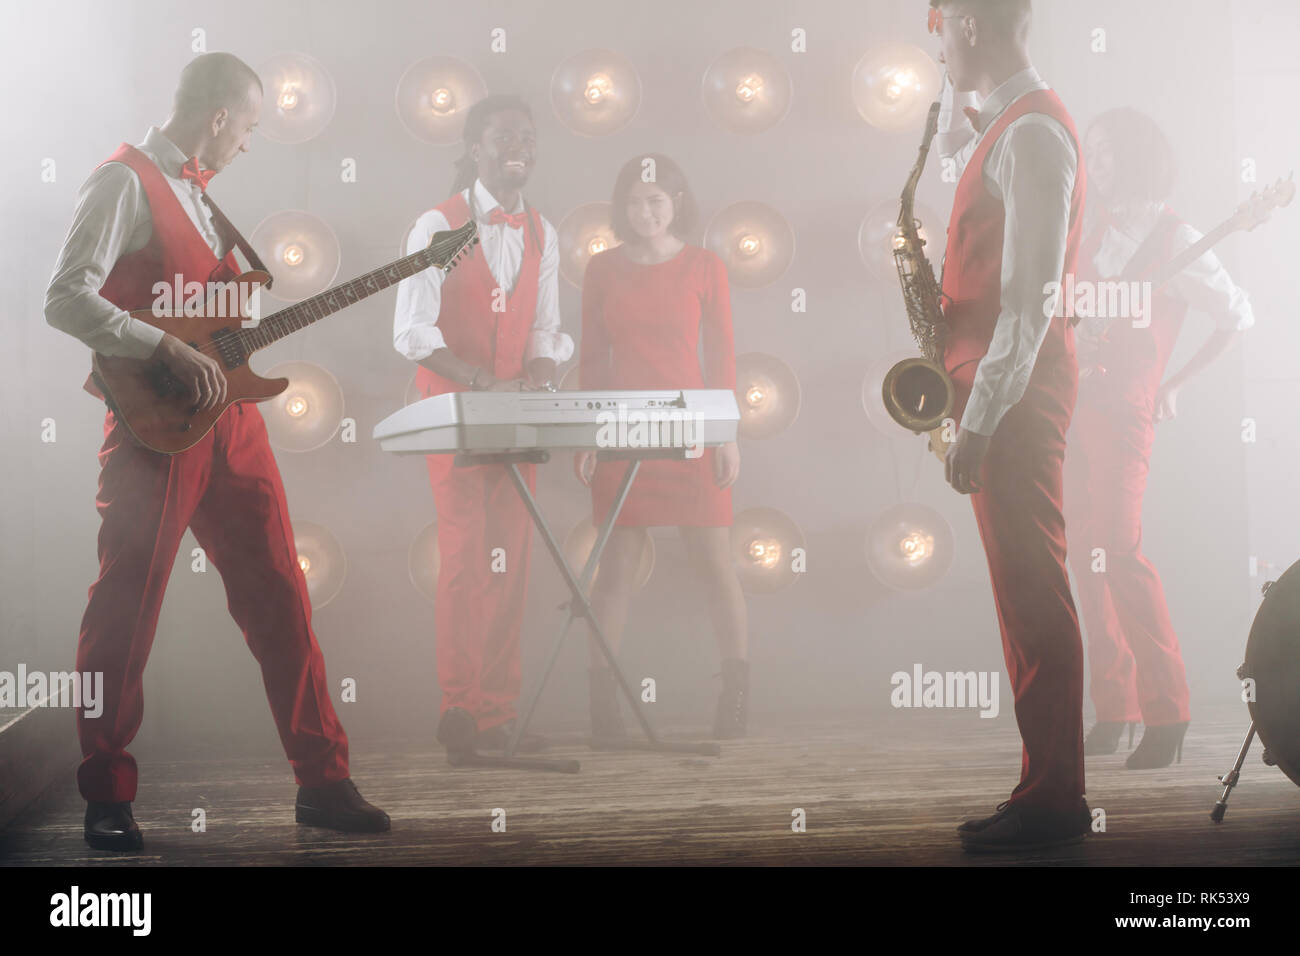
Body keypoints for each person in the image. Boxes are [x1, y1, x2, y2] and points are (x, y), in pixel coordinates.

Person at [44, 52, 389, 851]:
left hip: (233, 420)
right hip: (152, 429)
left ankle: (325, 782)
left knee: (281, 593)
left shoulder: (204, 198)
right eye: (252, 128)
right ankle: (106, 795)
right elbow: (65, 296)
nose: (250, 145)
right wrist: (161, 348)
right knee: (126, 607)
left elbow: (208, 310)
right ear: (223, 117)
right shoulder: (120, 180)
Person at [928, 0, 1090, 850]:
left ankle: (1056, 799)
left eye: (939, 24)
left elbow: (1028, 308)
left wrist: (980, 424)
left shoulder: (1032, 137)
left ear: (970, 26)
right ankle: (1045, 787)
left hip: (1014, 400)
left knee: (1034, 596)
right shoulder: (1008, 130)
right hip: (998, 393)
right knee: (1021, 598)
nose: (934, 41)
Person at [1065, 107, 1254, 768]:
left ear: (1139, 157)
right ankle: (1115, 708)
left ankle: (1169, 711)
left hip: (1124, 418)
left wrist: (1175, 384)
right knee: (1084, 559)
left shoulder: (1179, 238)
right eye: (1093, 152)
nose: (1098, 165)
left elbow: (1237, 313)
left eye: (1108, 153)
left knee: (1118, 549)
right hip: (1074, 416)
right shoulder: (1090, 235)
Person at [392, 94, 574, 762]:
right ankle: (460, 711)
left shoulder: (543, 232)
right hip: (456, 417)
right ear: (474, 147)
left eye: (527, 136)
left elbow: (548, 329)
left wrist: (545, 375)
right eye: (503, 137)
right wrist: (479, 382)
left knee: (512, 562)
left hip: (517, 418)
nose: (518, 147)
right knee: (467, 561)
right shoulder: (436, 225)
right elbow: (412, 332)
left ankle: (498, 715)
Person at [575, 154, 748, 739]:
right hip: (621, 428)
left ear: (676, 202)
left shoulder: (705, 265)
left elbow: (721, 354)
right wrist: (588, 434)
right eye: (633, 201)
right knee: (616, 570)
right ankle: (604, 709)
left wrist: (726, 431)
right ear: (621, 208)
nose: (644, 211)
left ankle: (735, 699)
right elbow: (592, 358)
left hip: (692, 426)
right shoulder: (601, 269)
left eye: (655, 199)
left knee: (714, 564)